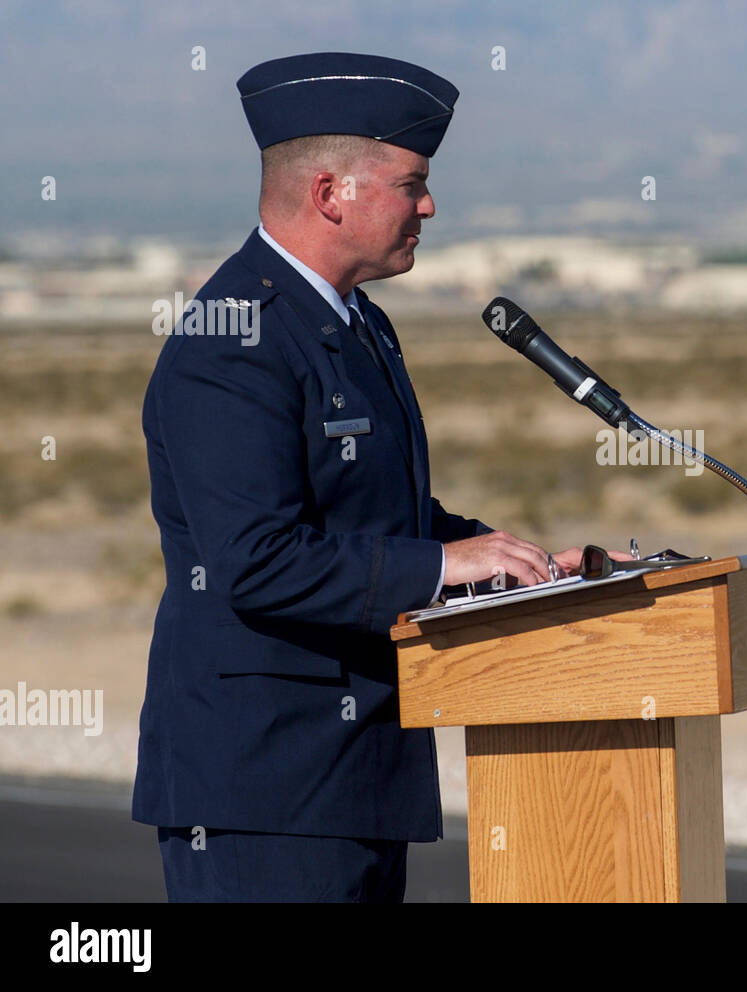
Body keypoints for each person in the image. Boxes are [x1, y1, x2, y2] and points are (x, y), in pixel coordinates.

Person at [132, 52, 594, 901]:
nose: (428, 205)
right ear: (329, 194)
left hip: (356, 776)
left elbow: (374, 512)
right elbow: (256, 557)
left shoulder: (352, 323)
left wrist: (509, 563)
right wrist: (443, 567)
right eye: (411, 183)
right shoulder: (234, 341)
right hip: (265, 786)